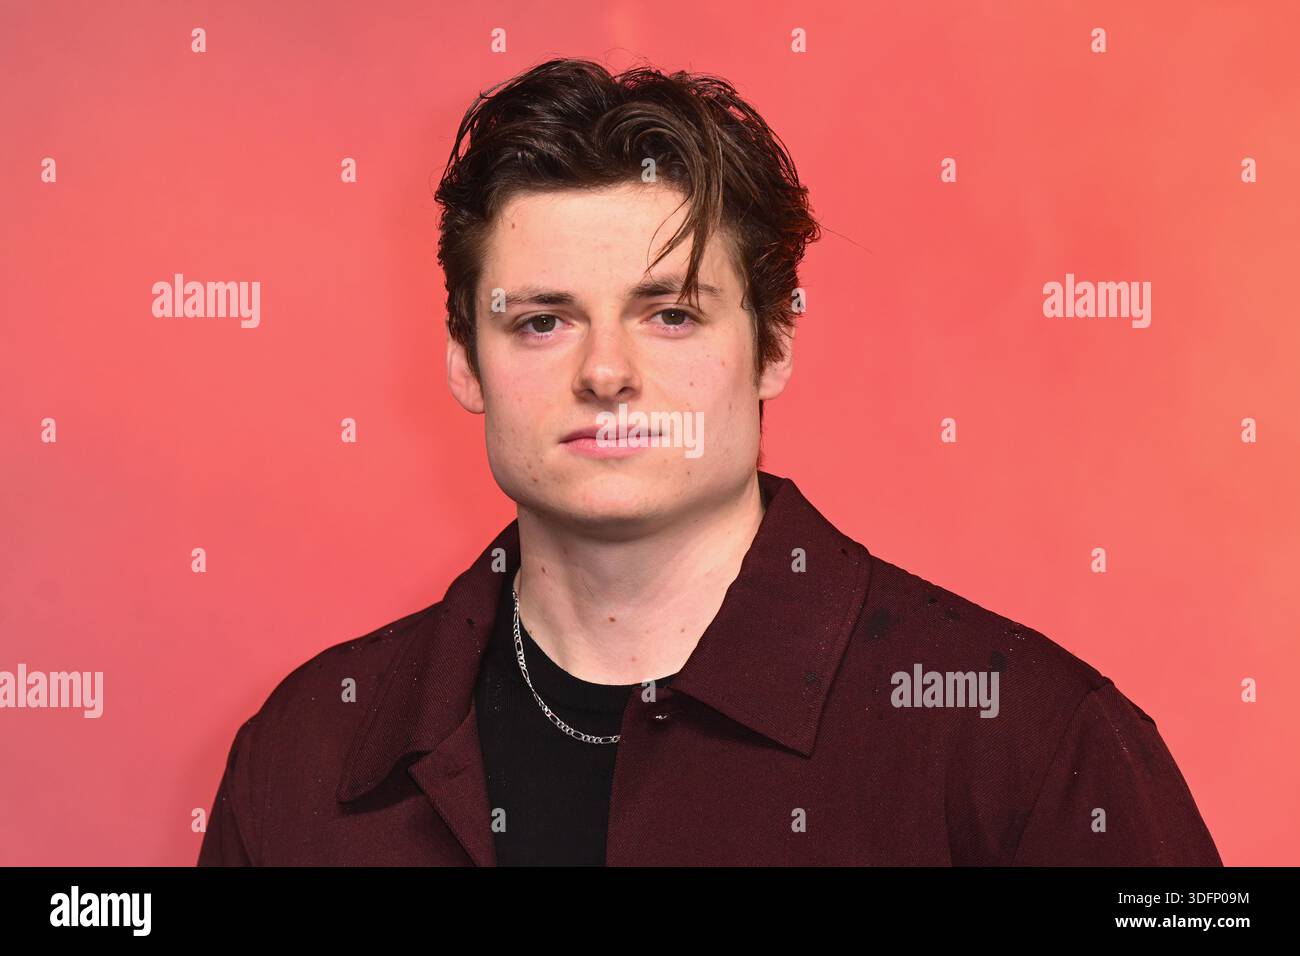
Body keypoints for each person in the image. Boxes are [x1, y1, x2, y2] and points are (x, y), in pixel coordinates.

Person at [198, 58, 1221, 866]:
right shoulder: (306, 754)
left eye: (672, 313)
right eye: (543, 320)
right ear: (466, 360)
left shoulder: (1028, 742)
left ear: (774, 342)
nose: (606, 372)